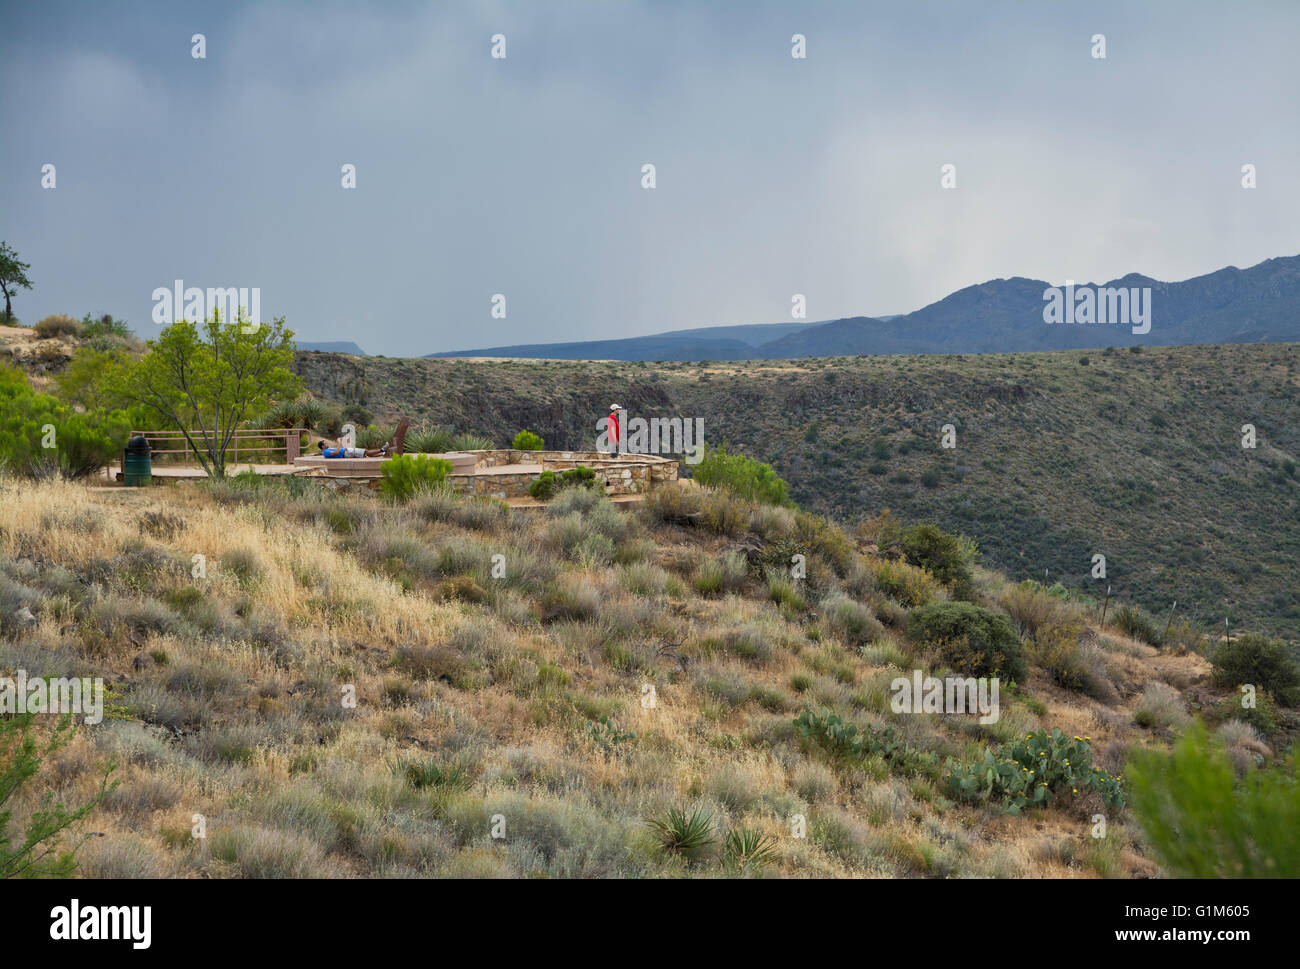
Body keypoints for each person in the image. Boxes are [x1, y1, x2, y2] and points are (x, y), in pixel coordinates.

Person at [317, 418, 410, 458]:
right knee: (365, 451)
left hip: (347, 452)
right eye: (325, 443)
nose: (326, 443)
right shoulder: (326, 452)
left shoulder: (326, 451)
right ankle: (382, 450)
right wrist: (339, 442)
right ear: (322, 446)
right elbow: (337, 452)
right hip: (346, 453)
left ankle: (383, 453)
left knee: (366, 454)